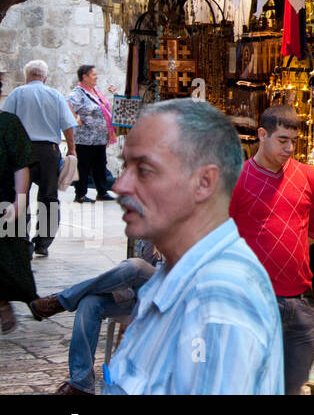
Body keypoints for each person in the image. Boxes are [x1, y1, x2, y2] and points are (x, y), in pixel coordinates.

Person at [104, 98, 282, 394]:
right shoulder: (178, 279)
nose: (120, 185)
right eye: (125, 167)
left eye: (144, 170)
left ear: (203, 183)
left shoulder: (219, 299)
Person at [229, 104, 314, 395]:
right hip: (254, 301)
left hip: (299, 302)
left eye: (294, 141)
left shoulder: (308, 177)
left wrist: (287, 251)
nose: (290, 148)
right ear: (262, 134)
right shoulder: (238, 179)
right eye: (282, 140)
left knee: (293, 388)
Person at [28, 242, 162, 394]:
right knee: (89, 303)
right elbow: (133, 281)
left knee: (135, 266)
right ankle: (81, 384)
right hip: (141, 297)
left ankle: (61, 301)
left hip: (171, 293)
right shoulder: (151, 231)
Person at [0, 60, 76, 256]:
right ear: (45, 77)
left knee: (19, 196)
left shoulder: (17, 93)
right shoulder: (55, 95)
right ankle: (43, 243)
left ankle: (22, 242)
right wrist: (72, 150)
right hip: (48, 152)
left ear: (27, 76)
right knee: (49, 197)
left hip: (20, 150)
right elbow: (67, 124)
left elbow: (5, 121)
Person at [0, 81, 38, 334]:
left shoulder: (8, 124)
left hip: (3, 203)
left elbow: (20, 163)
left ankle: (4, 302)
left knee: (8, 255)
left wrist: (20, 199)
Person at [66, 64, 117, 203]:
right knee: (83, 166)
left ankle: (102, 192)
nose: (97, 77)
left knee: (100, 165)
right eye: (94, 75)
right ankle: (80, 194)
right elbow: (68, 107)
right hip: (85, 139)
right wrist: (76, 119)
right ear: (85, 77)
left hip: (99, 139)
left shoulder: (94, 92)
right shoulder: (77, 93)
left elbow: (103, 108)